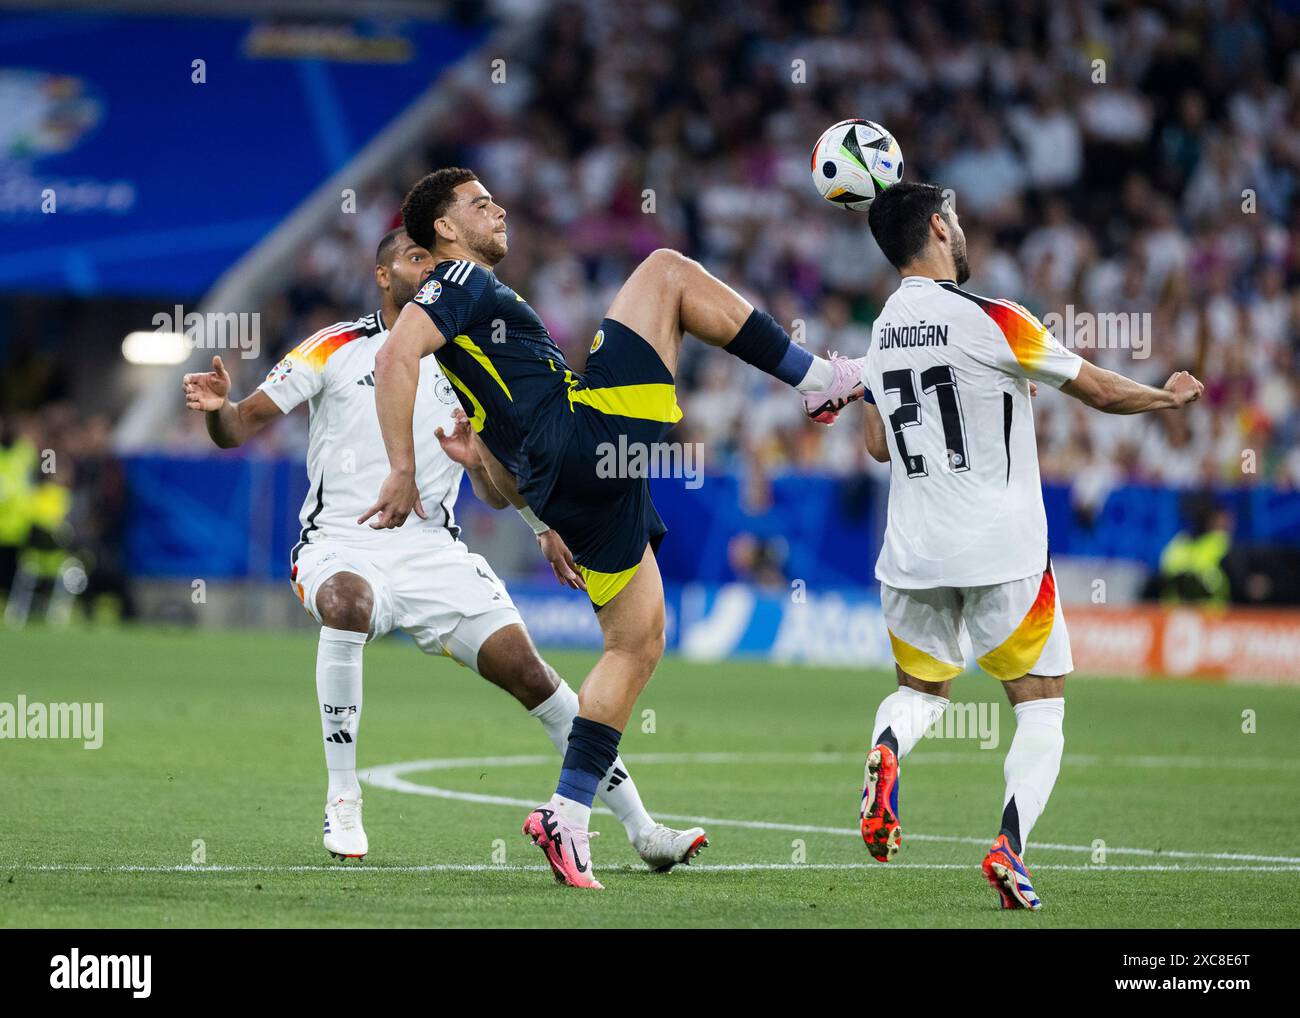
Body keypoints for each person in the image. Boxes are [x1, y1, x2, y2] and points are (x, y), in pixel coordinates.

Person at [362, 167, 864, 888]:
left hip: (567, 488)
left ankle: (567, 815)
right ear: (444, 229)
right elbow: (390, 357)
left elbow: (498, 490)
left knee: (636, 643)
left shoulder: (466, 344)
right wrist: (403, 469)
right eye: (479, 203)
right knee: (665, 272)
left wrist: (530, 512)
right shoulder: (456, 282)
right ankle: (819, 381)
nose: (499, 207)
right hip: (586, 441)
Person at [182, 227, 707, 871]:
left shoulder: (468, 358)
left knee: (533, 675)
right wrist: (217, 408)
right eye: (414, 259)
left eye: (433, 259)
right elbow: (238, 426)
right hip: (343, 543)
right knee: (347, 603)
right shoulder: (337, 346)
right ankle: (343, 795)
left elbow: (494, 482)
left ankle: (641, 828)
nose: (429, 268)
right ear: (383, 275)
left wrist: (539, 524)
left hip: (434, 550)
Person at [850, 181, 1203, 910]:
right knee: (1041, 708)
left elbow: (880, 444)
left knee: (921, 693)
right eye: (959, 219)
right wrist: (1165, 399)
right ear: (942, 227)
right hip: (1000, 553)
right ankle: (1009, 846)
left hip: (912, 554)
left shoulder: (880, 330)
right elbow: (1100, 392)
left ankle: (885, 754)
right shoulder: (994, 319)